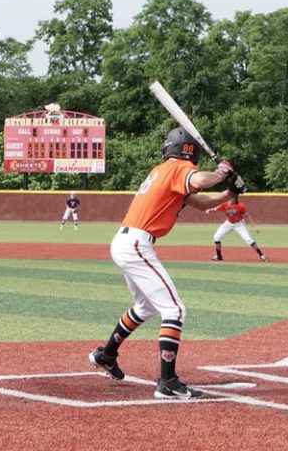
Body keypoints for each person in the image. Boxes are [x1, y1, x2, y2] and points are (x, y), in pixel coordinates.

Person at [88, 127, 242, 399]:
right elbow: (201, 180)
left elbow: (201, 201)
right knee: (174, 310)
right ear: (189, 151)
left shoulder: (162, 170)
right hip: (136, 244)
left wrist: (230, 192)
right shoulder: (178, 168)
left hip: (127, 242)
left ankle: (107, 354)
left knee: (145, 307)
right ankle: (168, 382)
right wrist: (221, 173)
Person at [206, 196, 268, 262]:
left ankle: (262, 255)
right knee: (216, 236)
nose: (230, 199)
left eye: (232, 198)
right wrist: (209, 210)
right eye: (229, 198)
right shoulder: (225, 204)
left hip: (239, 224)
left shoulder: (241, 206)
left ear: (235, 198)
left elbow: (247, 216)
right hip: (229, 223)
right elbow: (216, 209)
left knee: (248, 239)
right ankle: (219, 256)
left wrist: (254, 227)